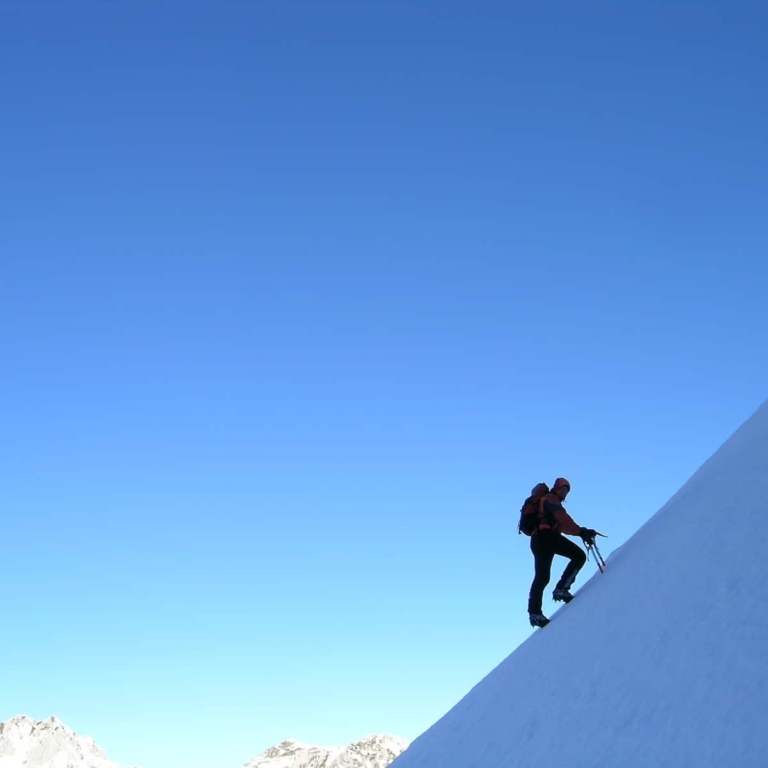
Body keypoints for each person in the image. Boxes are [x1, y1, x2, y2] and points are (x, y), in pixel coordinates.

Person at [528, 477, 597, 627]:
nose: (565, 492)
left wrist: (580, 531)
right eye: (563, 489)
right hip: (547, 537)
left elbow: (563, 526)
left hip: (538, 540)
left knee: (542, 577)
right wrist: (581, 532)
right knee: (579, 556)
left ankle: (534, 613)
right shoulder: (551, 499)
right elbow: (563, 519)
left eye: (567, 490)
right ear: (556, 488)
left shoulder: (546, 501)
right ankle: (561, 589)